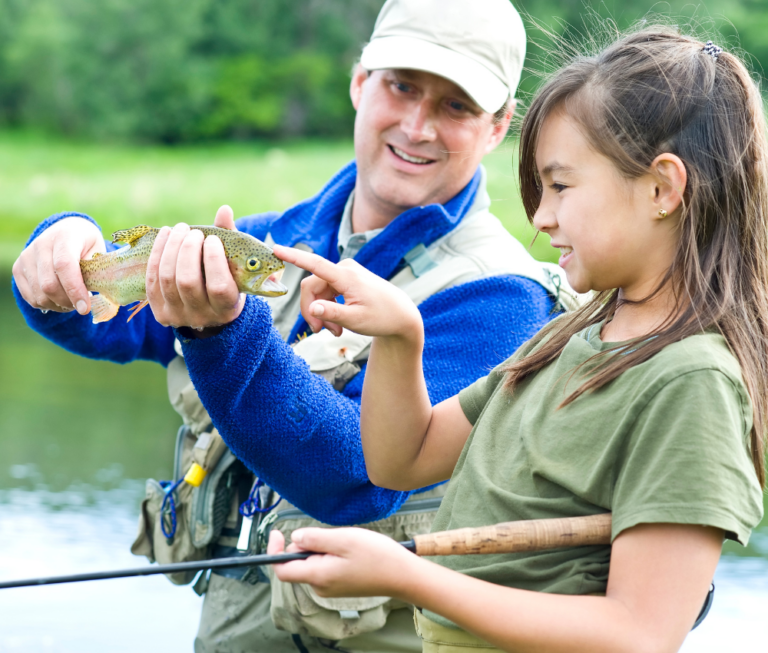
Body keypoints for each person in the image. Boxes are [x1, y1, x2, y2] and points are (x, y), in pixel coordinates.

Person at [11, 1, 575, 650]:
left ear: (499, 125)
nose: (418, 125)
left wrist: (223, 332)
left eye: (456, 107)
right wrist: (59, 253)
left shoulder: (502, 296)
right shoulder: (270, 240)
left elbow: (360, 473)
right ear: (360, 81)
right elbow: (105, 325)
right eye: (402, 86)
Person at [267, 27, 767, 653]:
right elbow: (404, 458)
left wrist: (410, 577)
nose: (541, 217)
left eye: (560, 186)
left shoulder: (693, 381)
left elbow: (639, 633)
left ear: (662, 189)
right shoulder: (572, 333)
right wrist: (400, 334)